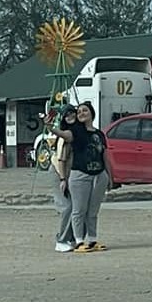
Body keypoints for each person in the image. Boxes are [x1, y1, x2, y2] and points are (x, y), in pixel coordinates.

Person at [53, 101, 109, 252]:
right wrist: (63, 179)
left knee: (91, 210)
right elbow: (61, 158)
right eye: (78, 112)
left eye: (84, 111)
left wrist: (110, 175)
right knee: (73, 209)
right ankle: (71, 240)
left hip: (96, 174)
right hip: (71, 174)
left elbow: (104, 154)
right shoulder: (74, 133)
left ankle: (91, 239)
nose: (79, 114)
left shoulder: (97, 134)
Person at [47, 104, 79, 252]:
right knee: (68, 207)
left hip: (71, 174)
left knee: (77, 207)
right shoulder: (65, 136)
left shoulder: (79, 133)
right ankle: (62, 240)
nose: (70, 116)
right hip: (59, 173)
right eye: (67, 115)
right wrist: (62, 179)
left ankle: (72, 238)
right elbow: (61, 160)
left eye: (72, 113)